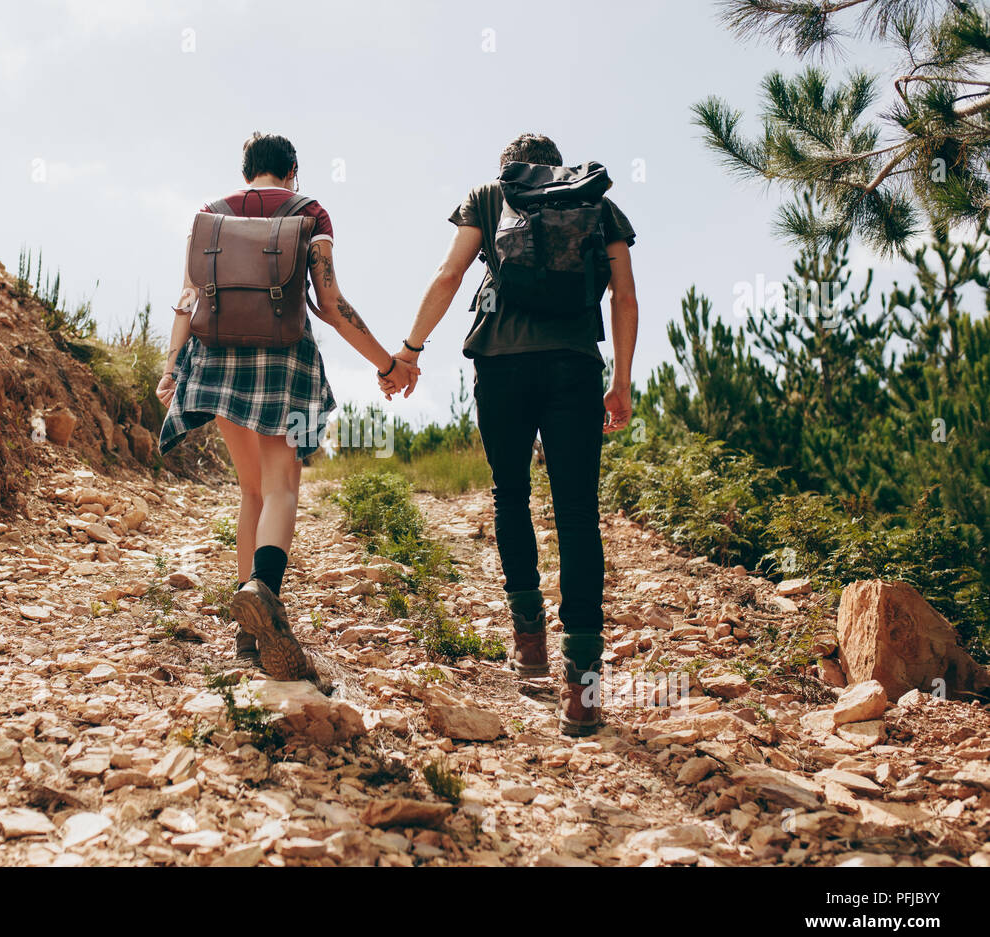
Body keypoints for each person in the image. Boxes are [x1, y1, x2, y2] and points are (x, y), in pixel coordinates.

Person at [383, 133, 639, 735]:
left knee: (510, 497)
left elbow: (449, 275)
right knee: (578, 513)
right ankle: (584, 690)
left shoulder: (489, 196)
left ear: (510, 171)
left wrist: (410, 349)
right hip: (574, 364)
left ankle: (530, 648)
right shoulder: (597, 202)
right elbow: (624, 296)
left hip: (501, 364)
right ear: (558, 166)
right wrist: (621, 381)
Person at [158, 131, 418, 683]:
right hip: (284, 361)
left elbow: (189, 296)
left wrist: (171, 365)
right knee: (282, 488)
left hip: (216, 358)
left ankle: (247, 635)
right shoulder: (310, 213)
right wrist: (387, 364)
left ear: (245, 169)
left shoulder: (209, 216)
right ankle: (264, 596)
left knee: (249, 490)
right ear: (293, 170)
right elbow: (331, 304)